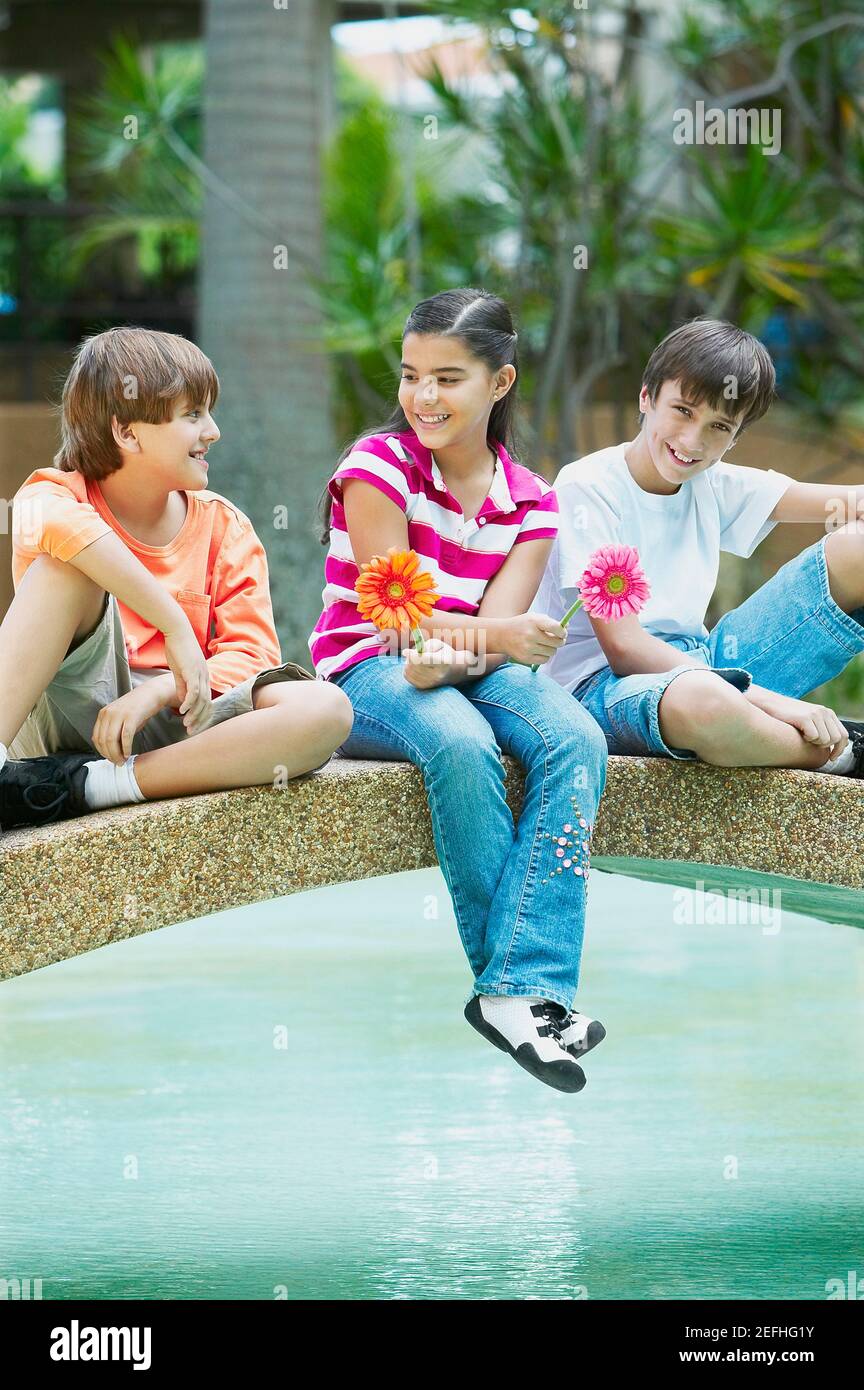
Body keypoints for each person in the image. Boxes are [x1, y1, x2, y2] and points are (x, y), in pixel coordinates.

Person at [309, 288, 610, 1094]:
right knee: (460, 740)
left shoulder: (533, 501)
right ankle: (522, 994)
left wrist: (491, 641)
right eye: (411, 377)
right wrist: (492, 640)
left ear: (500, 384)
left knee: (576, 737)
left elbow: (493, 635)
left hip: (466, 667)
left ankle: (520, 988)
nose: (423, 398)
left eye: (448, 378)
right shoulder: (377, 467)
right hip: (364, 669)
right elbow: (399, 625)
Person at [0, 327, 352, 832]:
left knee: (326, 707)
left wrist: (162, 688)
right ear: (127, 432)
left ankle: (94, 786)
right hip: (70, 723)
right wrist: (175, 625)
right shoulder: (52, 496)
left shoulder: (224, 526)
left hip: (183, 728)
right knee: (63, 568)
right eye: (192, 415)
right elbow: (68, 533)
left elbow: (253, 660)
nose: (213, 431)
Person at [533, 318, 864, 775]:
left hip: (709, 662)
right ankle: (839, 755)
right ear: (646, 396)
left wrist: (736, 689)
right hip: (604, 690)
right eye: (683, 411)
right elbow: (625, 649)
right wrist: (768, 701)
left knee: (859, 549)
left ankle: (754, 731)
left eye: (719, 427)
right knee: (704, 702)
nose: (693, 441)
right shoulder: (588, 488)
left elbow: (853, 504)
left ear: (735, 437)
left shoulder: (714, 482)